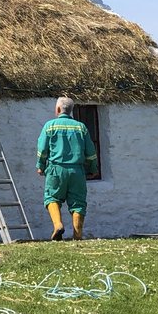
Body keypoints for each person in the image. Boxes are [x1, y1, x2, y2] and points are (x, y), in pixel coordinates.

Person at [36, 96, 98, 241]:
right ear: (71, 111)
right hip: (77, 170)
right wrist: (93, 168)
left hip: (56, 169)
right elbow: (90, 151)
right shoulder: (81, 127)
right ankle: (77, 235)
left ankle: (58, 225)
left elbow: (42, 148)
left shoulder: (50, 126)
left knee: (52, 197)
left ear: (58, 109)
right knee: (78, 203)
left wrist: (40, 165)